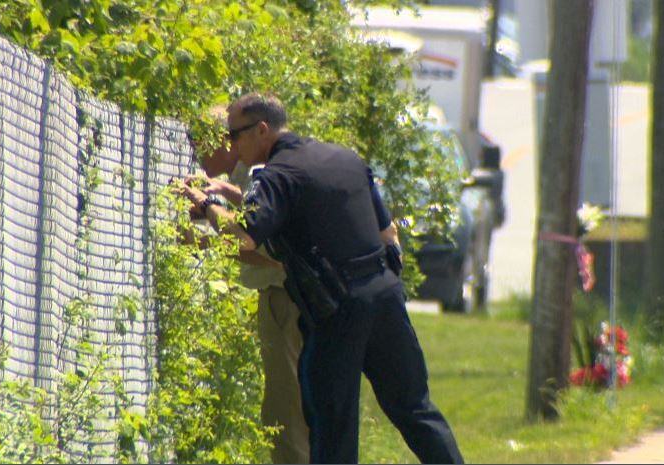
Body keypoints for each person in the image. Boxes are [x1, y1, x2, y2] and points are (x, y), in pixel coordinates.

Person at [180, 93, 463, 464]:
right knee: (414, 409)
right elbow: (387, 232)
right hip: (384, 297)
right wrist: (231, 192)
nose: (230, 145)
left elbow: (248, 234)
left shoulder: (277, 174)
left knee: (331, 424)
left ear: (262, 130)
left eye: (234, 136)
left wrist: (206, 204)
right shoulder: (344, 158)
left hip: (338, 311)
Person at [188, 111, 311, 464]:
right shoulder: (248, 177)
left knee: (284, 410)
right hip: (287, 300)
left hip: (285, 301)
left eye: (198, 143)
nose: (197, 154)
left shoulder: (257, 175)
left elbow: (273, 255)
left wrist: (203, 240)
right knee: (296, 404)